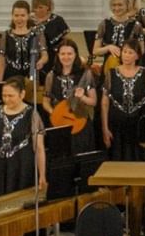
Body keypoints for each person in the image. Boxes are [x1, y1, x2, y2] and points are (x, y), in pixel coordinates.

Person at [0, 78, 45, 236]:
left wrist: (42, 175)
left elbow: (39, 148)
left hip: (22, 170)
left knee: (19, 214)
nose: (6, 99)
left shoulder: (31, 114)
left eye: (11, 95)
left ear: (22, 95)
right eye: (4, 95)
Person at [40, 39, 101, 192]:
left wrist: (82, 97)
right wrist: (54, 112)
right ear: (58, 55)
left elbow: (93, 101)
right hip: (60, 125)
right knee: (62, 163)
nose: (66, 57)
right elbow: (45, 101)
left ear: (75, 55)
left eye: (69, 54)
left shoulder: (85, 74)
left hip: (81, 124)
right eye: (63, 54)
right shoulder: (51, 75)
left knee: (81, 161)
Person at [102, 38, 145, 161]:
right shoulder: (111, 73)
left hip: (137, 125)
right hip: (116, 124)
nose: (126, 55)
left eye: (130, 52)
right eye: (124, 51)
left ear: (137, 55)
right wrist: (105, 128)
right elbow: (104, 102)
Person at [0, 0, 44, 83]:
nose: (19, 19)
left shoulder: (37, 34)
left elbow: (45, 55)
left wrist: (41, 61)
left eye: (23, 15)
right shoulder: (5, 35)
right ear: (12, 16)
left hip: (31, 77)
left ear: (28, 16)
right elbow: (1, 62)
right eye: (16, 15)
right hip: (10, 78)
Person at [31, 0, 71, 72]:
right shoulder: (29, 21)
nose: (37, 10)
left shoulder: (57, 20)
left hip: (54, 56)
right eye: (35, 7)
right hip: (34, 55)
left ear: (48, 7)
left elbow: (65, 40)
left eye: (40, 7)